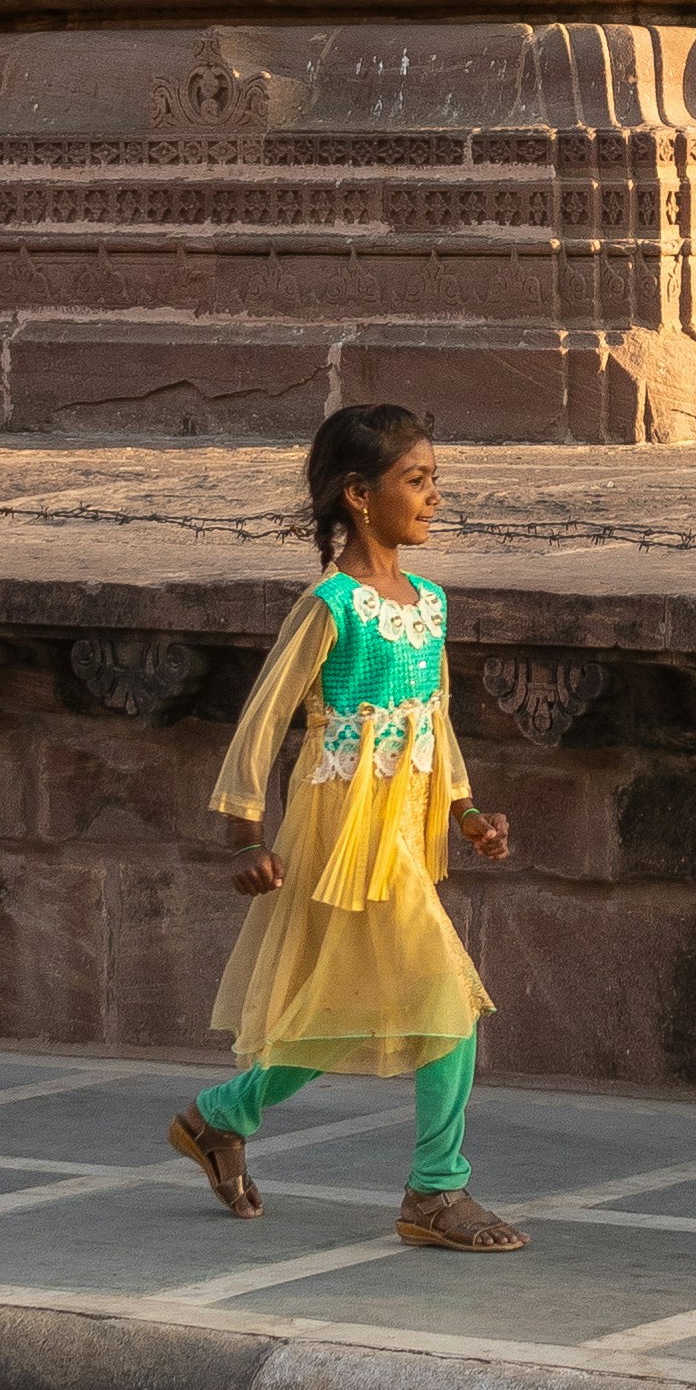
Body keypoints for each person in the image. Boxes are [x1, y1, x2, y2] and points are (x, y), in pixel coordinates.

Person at [166, 403, 526, 1252]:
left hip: (403, 826)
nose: (435, 496)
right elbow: (263, 717)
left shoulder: (430, 601)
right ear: (360, 496)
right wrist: (244, 835)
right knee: (447, 998)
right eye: (416, 480)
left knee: (346, 1007)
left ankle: (217, 1117)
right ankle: (438, 1191)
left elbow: (433, 720)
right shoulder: (332, 604)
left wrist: (465, 810)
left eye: (435, 478)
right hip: (339, 829)